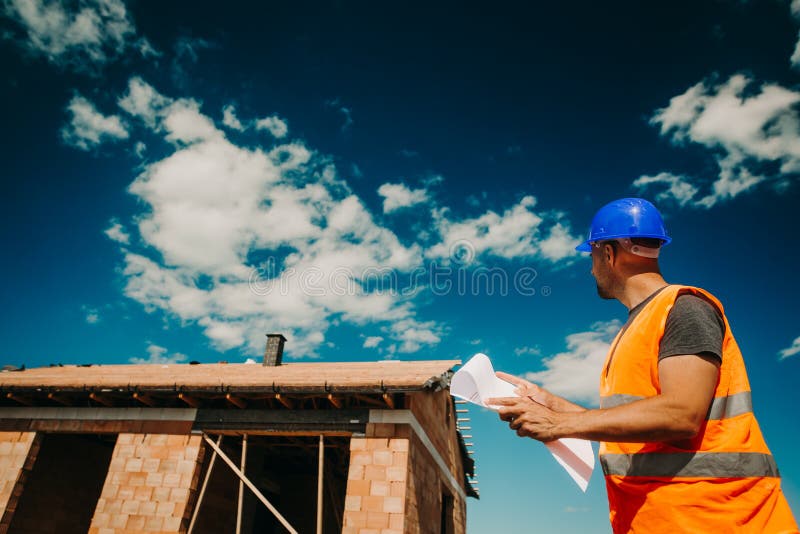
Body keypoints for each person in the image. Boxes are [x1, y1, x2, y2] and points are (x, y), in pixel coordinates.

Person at [489, 198, 798, 533]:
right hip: (670, 520)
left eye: (592, 256)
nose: (591, 268)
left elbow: (681, 414)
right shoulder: (635, 328)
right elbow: (634, 421)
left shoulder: (683, 308)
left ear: (608, 253)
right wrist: (553, 404)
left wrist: (556, 424)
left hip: (718, 520)